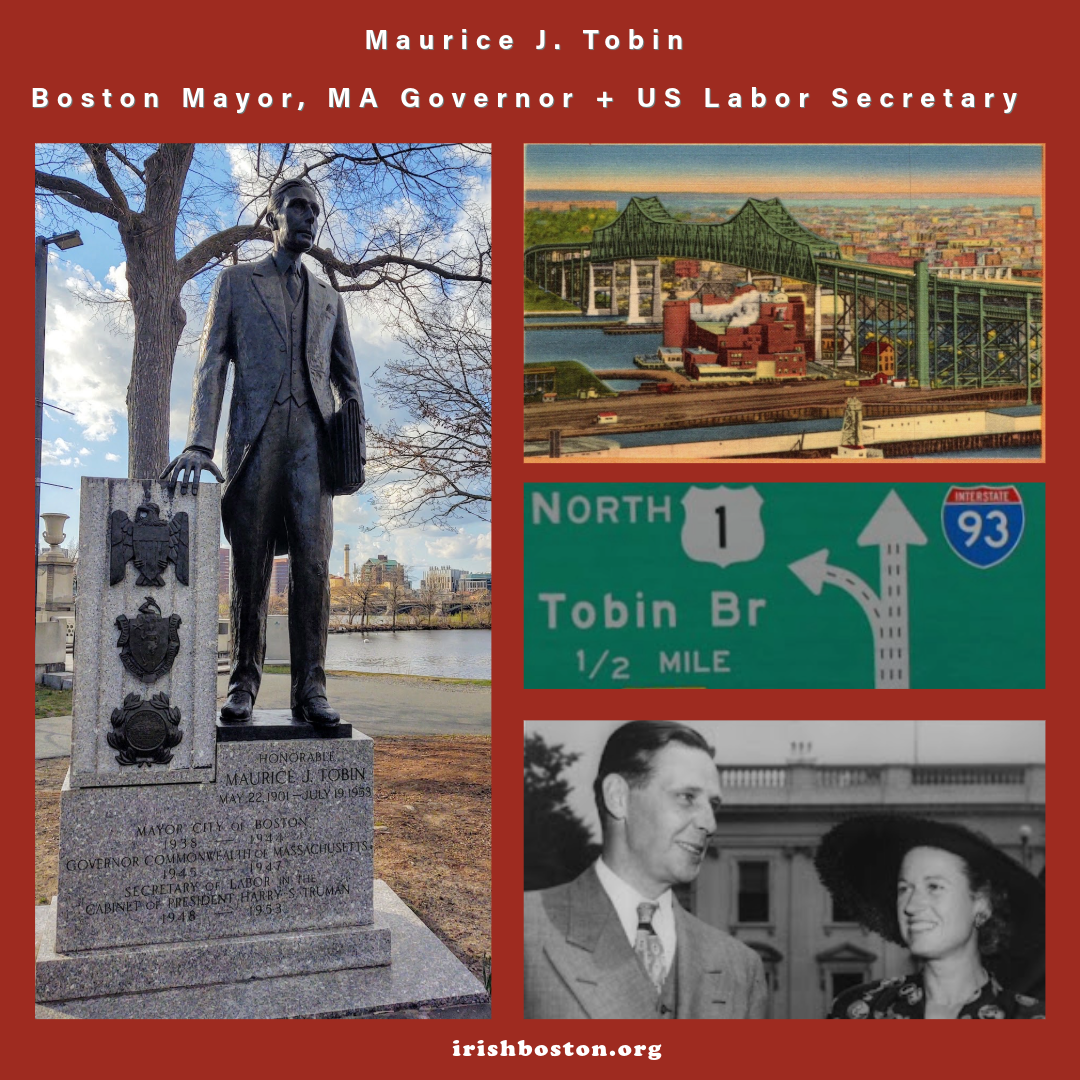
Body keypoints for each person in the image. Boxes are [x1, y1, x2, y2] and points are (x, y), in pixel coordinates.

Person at [163, 177, 364, 727]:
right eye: (296, 208)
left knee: (315, 567)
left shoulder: (329, 297)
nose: (307, 218)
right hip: (254, 442)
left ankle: (311, 689)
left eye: (314, 211)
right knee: (250, 568)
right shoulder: (235, 283)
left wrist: (353, 451)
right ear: (272, 218)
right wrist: (200, 442)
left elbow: (350, 381)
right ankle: (243, 683)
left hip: (313, 450)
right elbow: (211, 366)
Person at [524, 721, 767, 1019]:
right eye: (687, 797)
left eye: (713, 805)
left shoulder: (741, 968)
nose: (710, 823)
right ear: (618, 797)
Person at [815, 815, 1045, 1019]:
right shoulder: (858, 1010)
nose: (911, 906)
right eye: (904, 889)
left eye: (934, 886)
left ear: (981, 903)